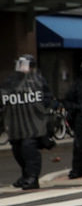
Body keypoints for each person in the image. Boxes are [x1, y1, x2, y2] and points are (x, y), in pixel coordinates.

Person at [3, 55, 54, 190]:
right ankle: (26, 174)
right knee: (17, 150)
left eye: (24, 65)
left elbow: (47, 98)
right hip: (16, 122)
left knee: (29, 149)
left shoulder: (38, 81)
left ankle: (33, 177)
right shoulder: (11, 81)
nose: (22, 68)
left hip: (32, 123)